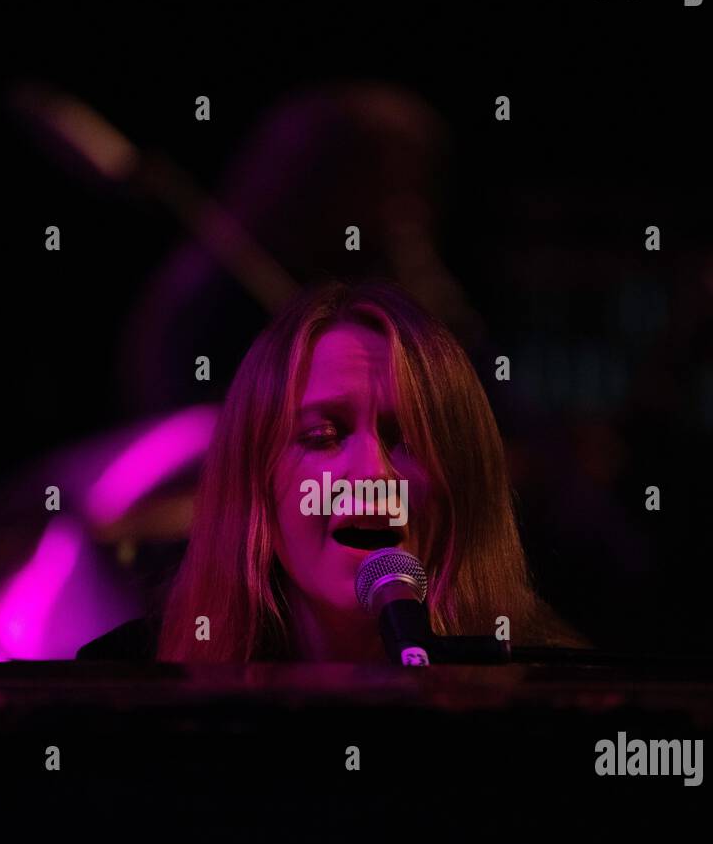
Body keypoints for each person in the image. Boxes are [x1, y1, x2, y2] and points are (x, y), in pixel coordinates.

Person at [77, 278, 583, 662]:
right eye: (323, 437)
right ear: (260, 483)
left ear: (461, 483)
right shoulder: (130, 684)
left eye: (408, 440)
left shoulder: (553, 689)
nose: (372, 476)